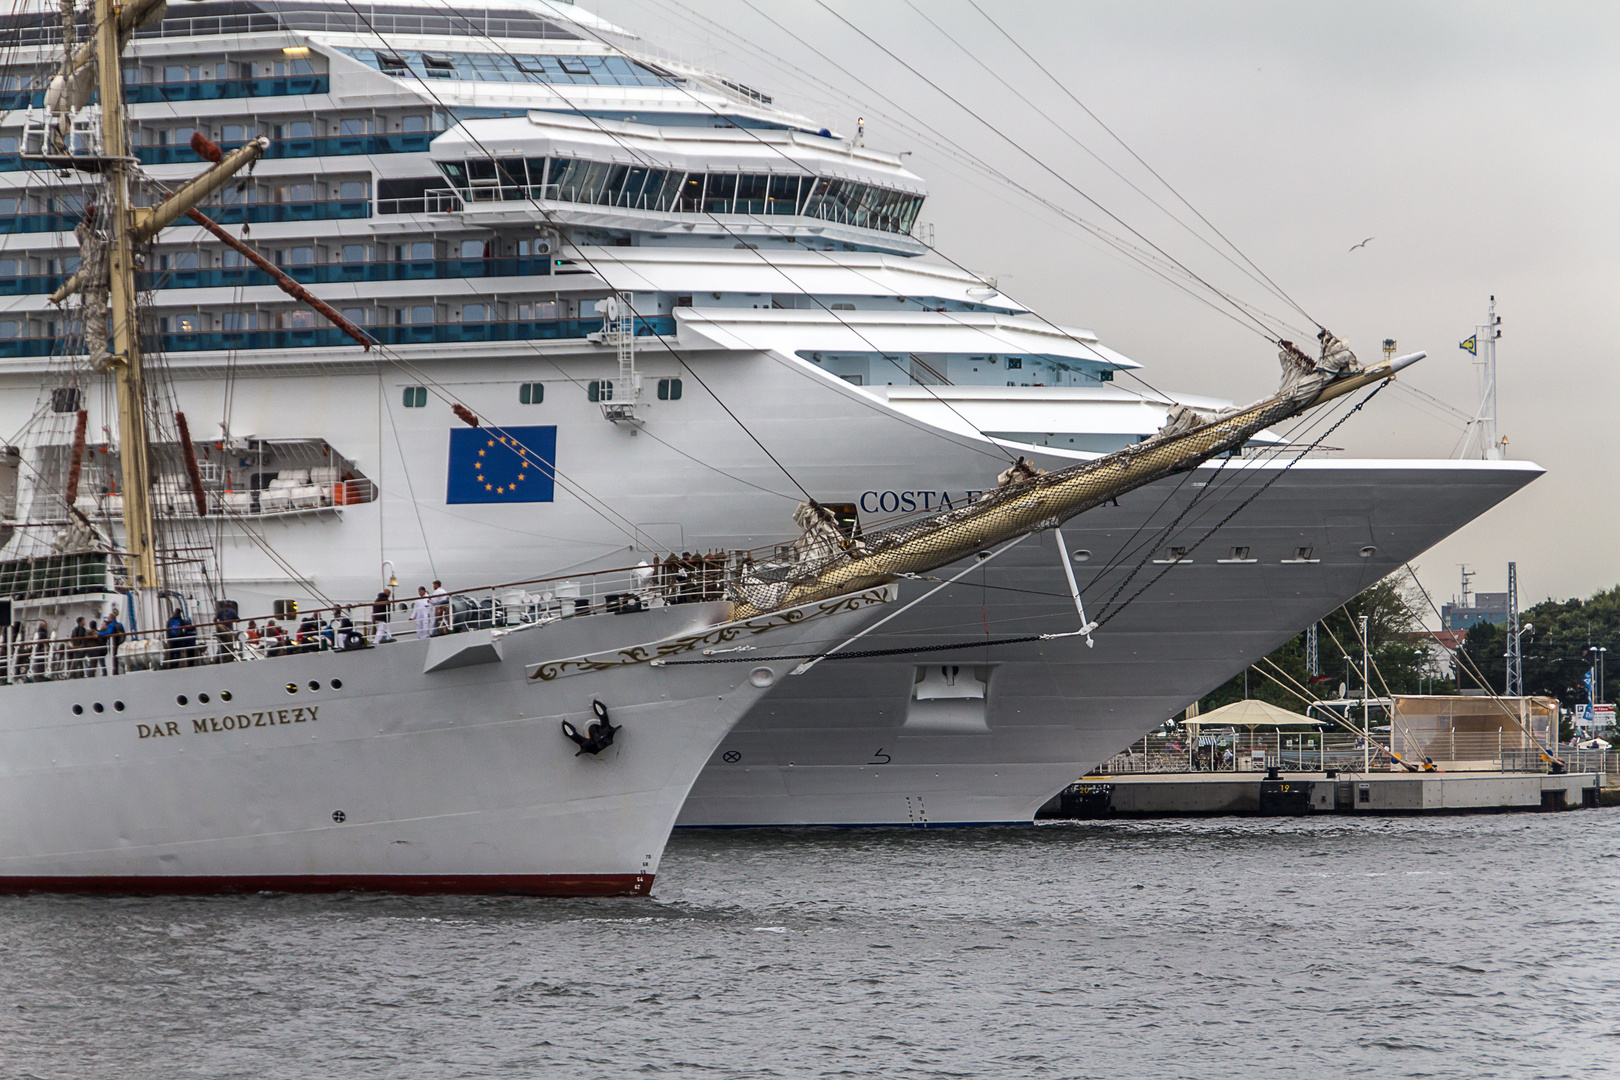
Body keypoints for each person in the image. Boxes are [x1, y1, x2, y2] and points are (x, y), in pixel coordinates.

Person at [98, 610, 125, 675]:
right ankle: (121, 669)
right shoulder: (120, 624)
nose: (108, 619)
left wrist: (99, 634)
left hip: (114, 643)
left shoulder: (111, 625)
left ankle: (115, 671)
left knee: (114, 657)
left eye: (109, 618)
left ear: (111, 619)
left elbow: (108, 632)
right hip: (120, 642)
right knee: (118, 656)